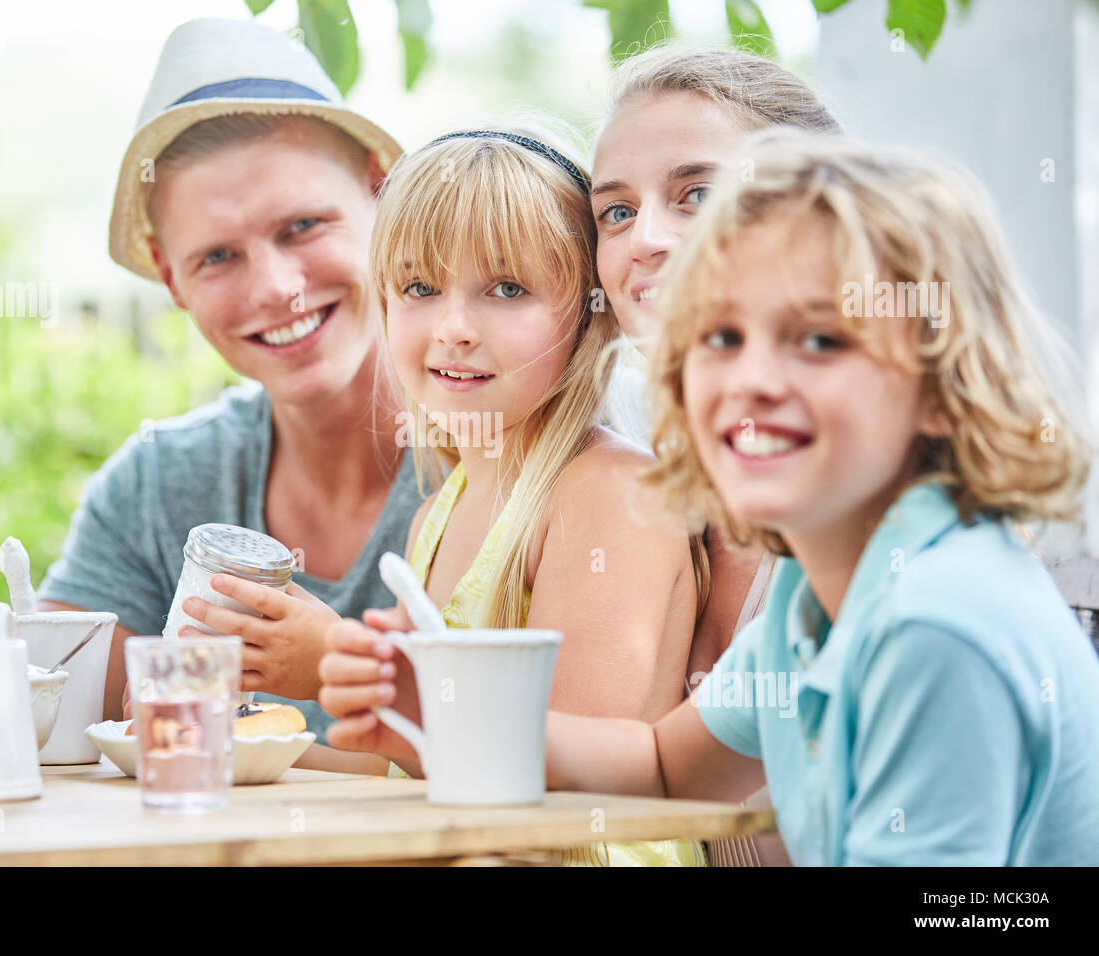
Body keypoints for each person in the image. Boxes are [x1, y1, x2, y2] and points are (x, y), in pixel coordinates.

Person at [323, 131, 1099, 864]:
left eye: (821, 340)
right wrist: (439, 709)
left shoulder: (934, 625)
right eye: (722, 338)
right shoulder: (815, 594)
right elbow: (662, 764)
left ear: (942, 389)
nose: (752, 381)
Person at [0, 19, 422, 761]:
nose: (276, 288)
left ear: (382, 195)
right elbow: (63, 720)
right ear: (169, 277)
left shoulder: (508, 457)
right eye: (216, 257)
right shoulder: (155, 488)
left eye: (302, 225)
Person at [330, 122, 700, 864]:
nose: (455, 327)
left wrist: (343, 670)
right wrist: (227, 749)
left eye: (507, 289)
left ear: (592, 315)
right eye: (419, 287)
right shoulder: (437, 514)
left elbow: (560, 782)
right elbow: (401, 767)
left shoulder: (607, 496)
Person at [589, 42, 843, 865]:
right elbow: (665, 770)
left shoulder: (885, 537)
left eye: (696, 193)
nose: (646, 240)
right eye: (615, 212)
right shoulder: (628, 460)